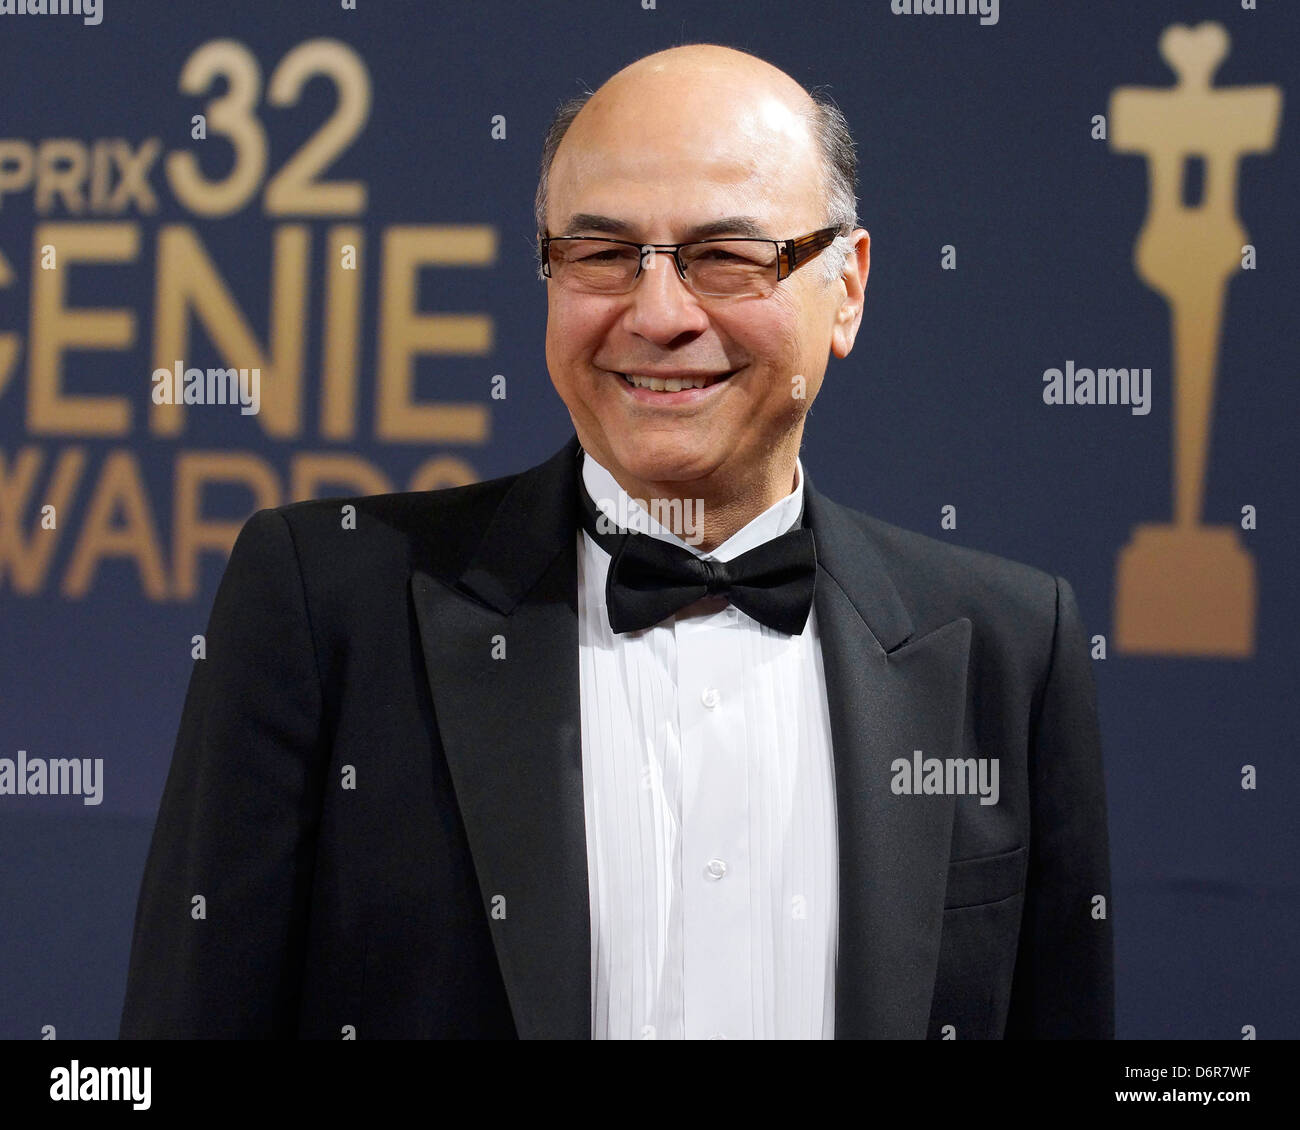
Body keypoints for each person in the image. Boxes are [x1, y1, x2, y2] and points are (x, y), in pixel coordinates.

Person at [120, 43, 1112, 1040]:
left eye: (726, 256)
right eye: (600, 254)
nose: (659, 313)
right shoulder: (326, 600)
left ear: (845, 287)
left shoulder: (1007, 644)